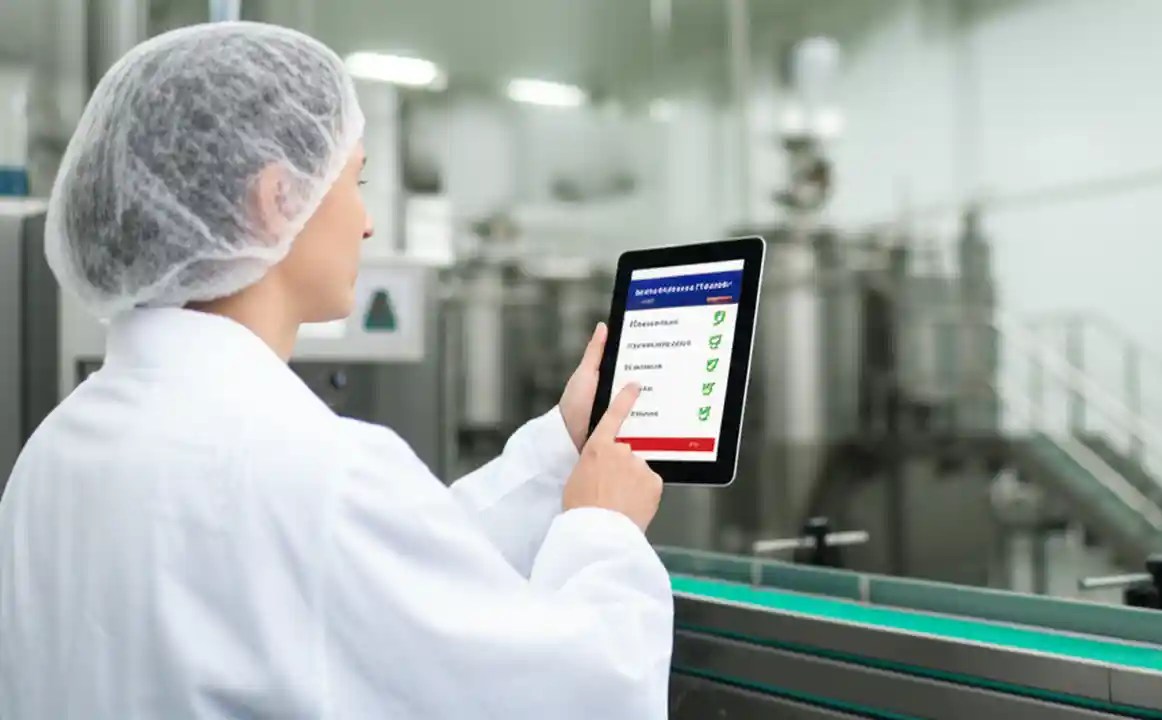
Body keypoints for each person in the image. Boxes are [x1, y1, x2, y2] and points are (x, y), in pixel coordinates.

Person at [0, 22, 671, 720]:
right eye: (356, 181)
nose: (367, 224)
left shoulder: (54, 453)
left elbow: (387, 578)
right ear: (277, 198)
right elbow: (581, 693)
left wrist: (558, 446)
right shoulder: (314, 473)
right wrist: (604, 529)